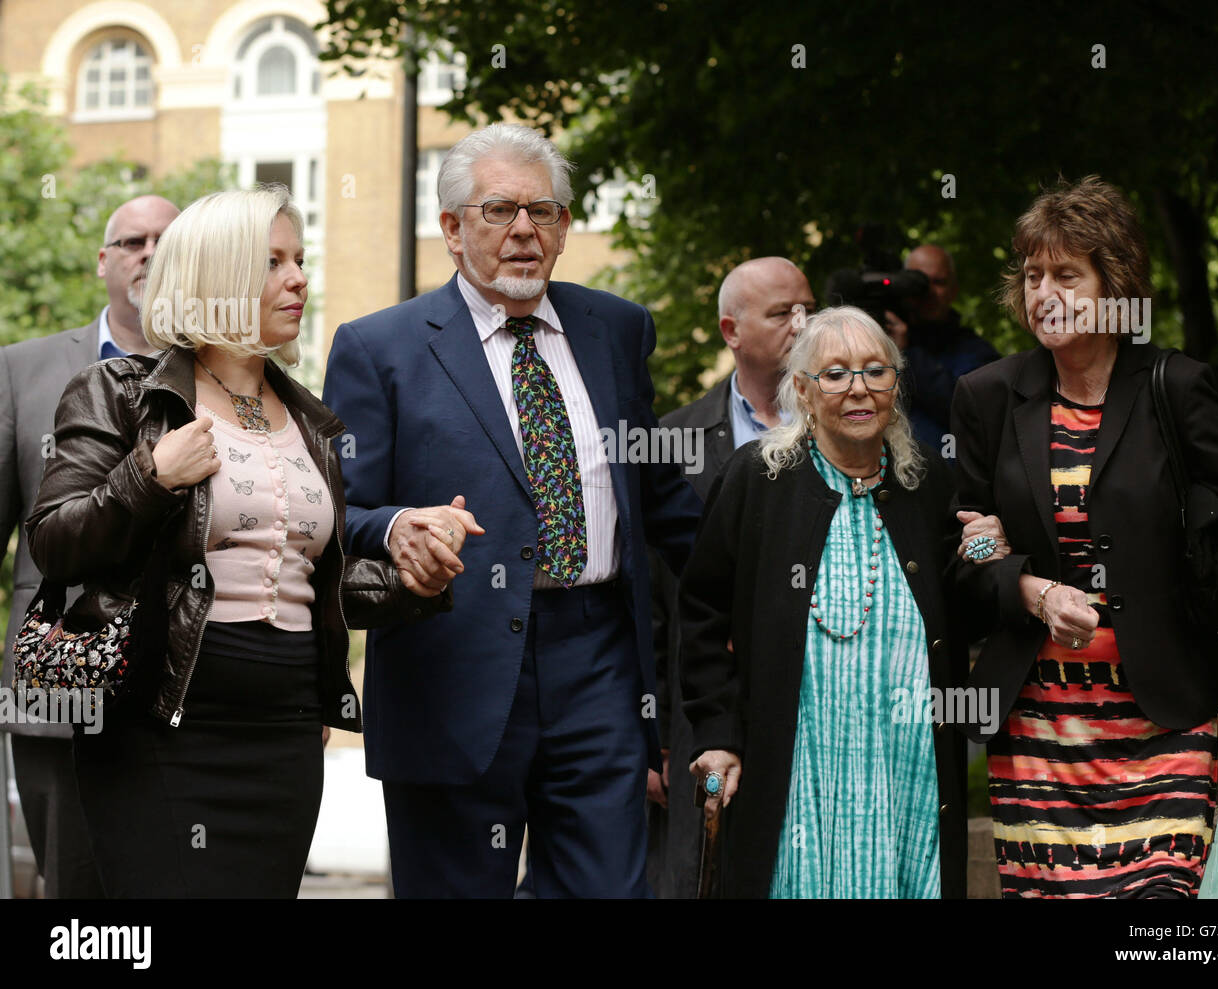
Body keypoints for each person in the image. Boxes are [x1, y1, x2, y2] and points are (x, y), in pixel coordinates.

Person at [322, 123, 702, 898]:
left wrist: (755, 590)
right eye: (498, 211)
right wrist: (400, 528)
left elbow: (660, 502)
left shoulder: (617, 329)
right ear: (453, 229)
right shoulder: (380, 348)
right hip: (449, 663)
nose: (524, 230)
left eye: (544, 211)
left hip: (599, 661)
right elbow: (337, 509)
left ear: (564, 227)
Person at [25, 186, 437, 897]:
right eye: (273, 261)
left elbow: (319, 581)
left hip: (285, 732)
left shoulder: (310, 421)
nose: (299, 277)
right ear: (216, 276)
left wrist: (412, 579)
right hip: (163, 726)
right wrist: (148, 477)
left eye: (300, 259)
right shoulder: (120, 392)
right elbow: (55, 541)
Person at [950, 176, 1218, 898]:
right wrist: (1023, 580)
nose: (1044, 290)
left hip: (1165, 724)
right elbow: (965, 556)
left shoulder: (1176, 387)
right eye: (1034, 274)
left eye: (1067, 274)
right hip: (1039, 735)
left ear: (1117, 284)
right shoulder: (986, 397)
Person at [679, 305, 968, 898]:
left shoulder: (927, 485)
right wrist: (718, 732)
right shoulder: (757, 479)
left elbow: (969, 605)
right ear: (804, 392)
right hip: (796, 762)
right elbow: (701, 611)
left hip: (905, 763)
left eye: (875, 371)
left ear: (895, 383)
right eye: (835, 374)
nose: (858, 389)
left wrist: (987, 547)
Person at [0, 194, 178, 897]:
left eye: (167, 239)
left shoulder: (226, 372)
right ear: (104, 261)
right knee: (73, 900)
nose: (150, 253)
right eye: (133, 240)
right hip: (57, 688)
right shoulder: (22, 371)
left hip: (189, 689)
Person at [647, 256, 815, 898]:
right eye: (781, 313)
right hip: (702, 719)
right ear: (730, 331)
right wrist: (655, 738)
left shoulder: (850, 432)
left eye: (807, 307)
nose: (802, 324)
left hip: (817, 710)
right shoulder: (673, 441)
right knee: (703, 879)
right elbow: (656, 601)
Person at [889, 245, 999, 451]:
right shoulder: (879, 342)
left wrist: (905, 352)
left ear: (953, 290)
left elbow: (969, 412)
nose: (928, 291)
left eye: (938, 282)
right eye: (919, 282)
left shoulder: (976, 352)